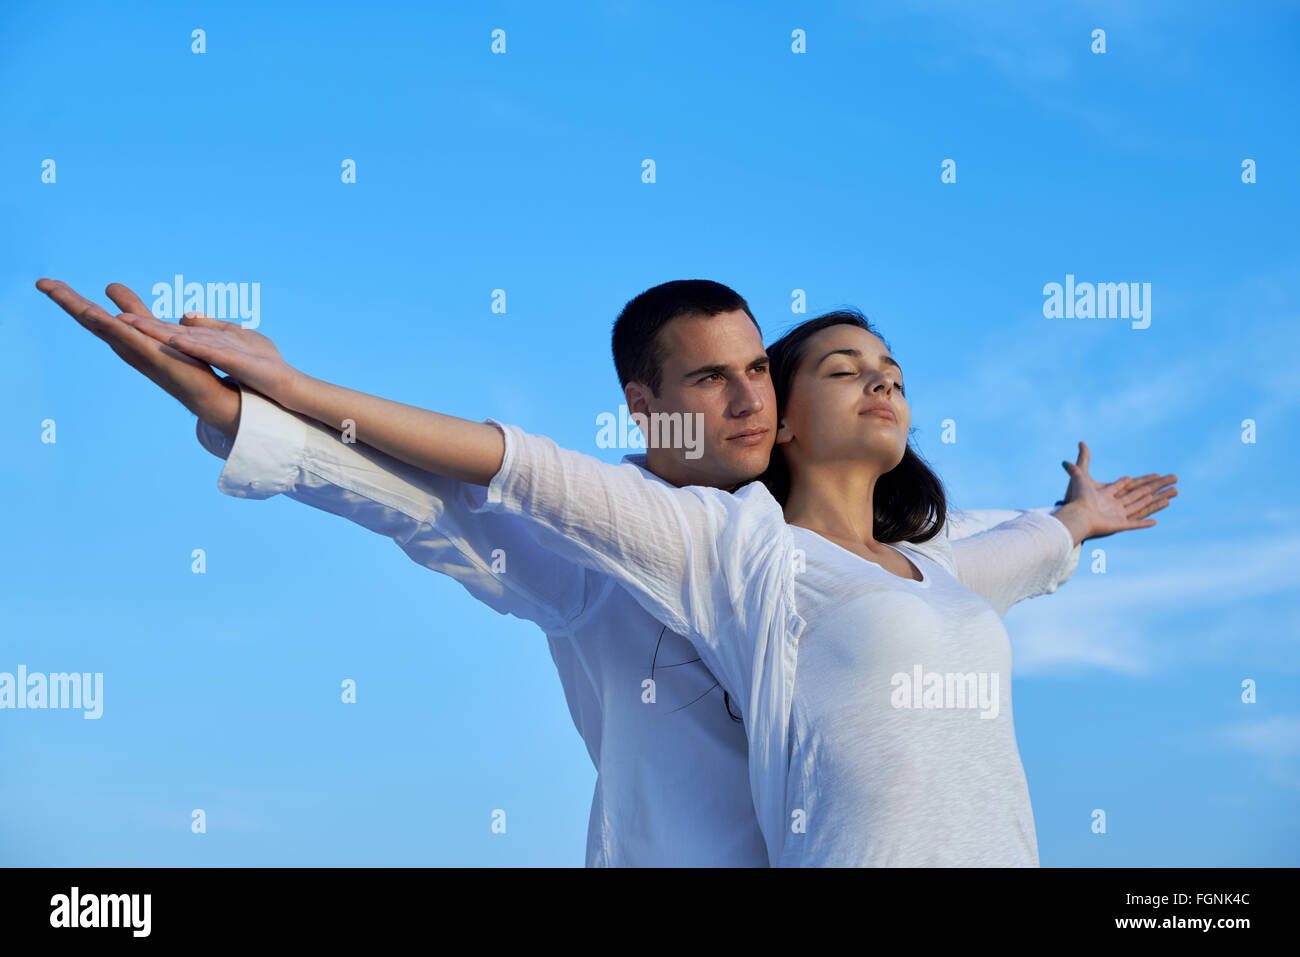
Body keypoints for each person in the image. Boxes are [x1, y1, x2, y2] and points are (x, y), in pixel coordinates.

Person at [36, 278, 1175, 866]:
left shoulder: (847, 555)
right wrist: (257, 403)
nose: (745, 400)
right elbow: (435, 497)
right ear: (644, 404)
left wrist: (1074, 522)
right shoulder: (606, 553)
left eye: (757, 372)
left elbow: (974, 555)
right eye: (709, 381)